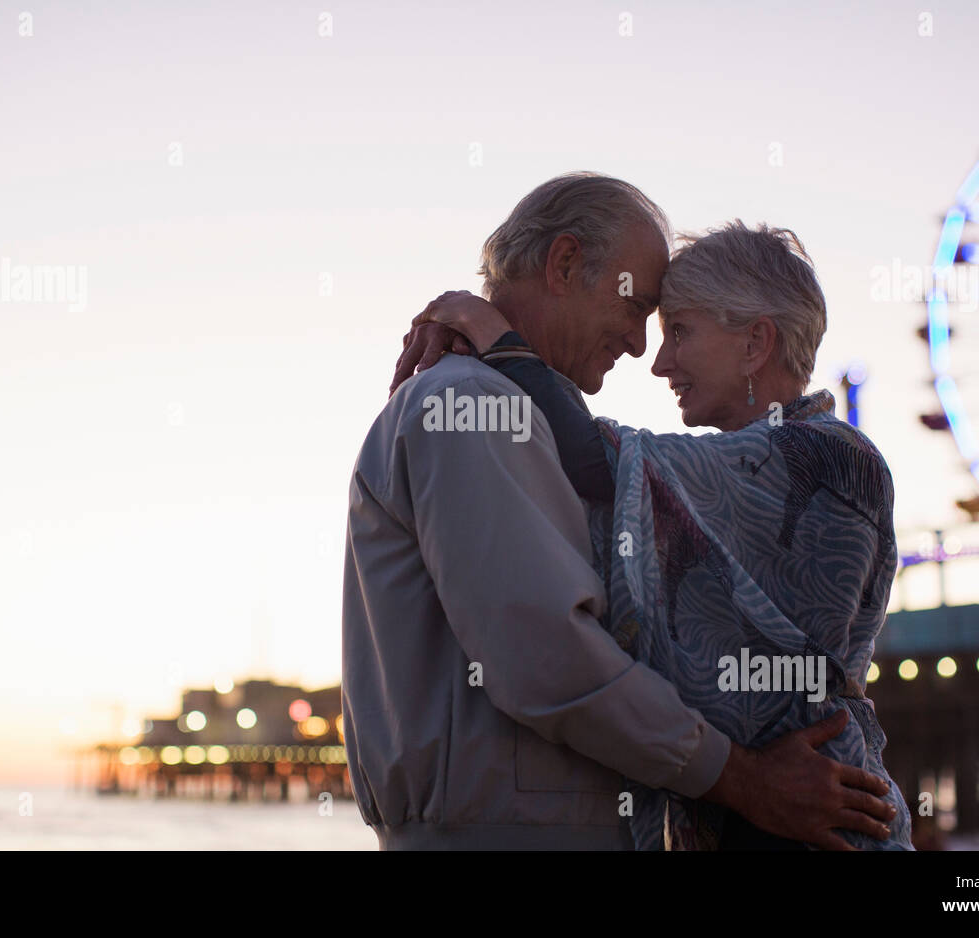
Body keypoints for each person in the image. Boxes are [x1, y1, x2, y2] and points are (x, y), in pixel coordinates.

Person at [344, 171, 897, 850]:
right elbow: (545, 655)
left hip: (800, 808)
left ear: (755, 343)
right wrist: (742, 780)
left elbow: (605, 460)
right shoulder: (475, 406)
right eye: (639, 309)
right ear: (566, 263)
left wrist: (489, 328)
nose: (646, 352)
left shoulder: (825, 461)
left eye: (675, 328)